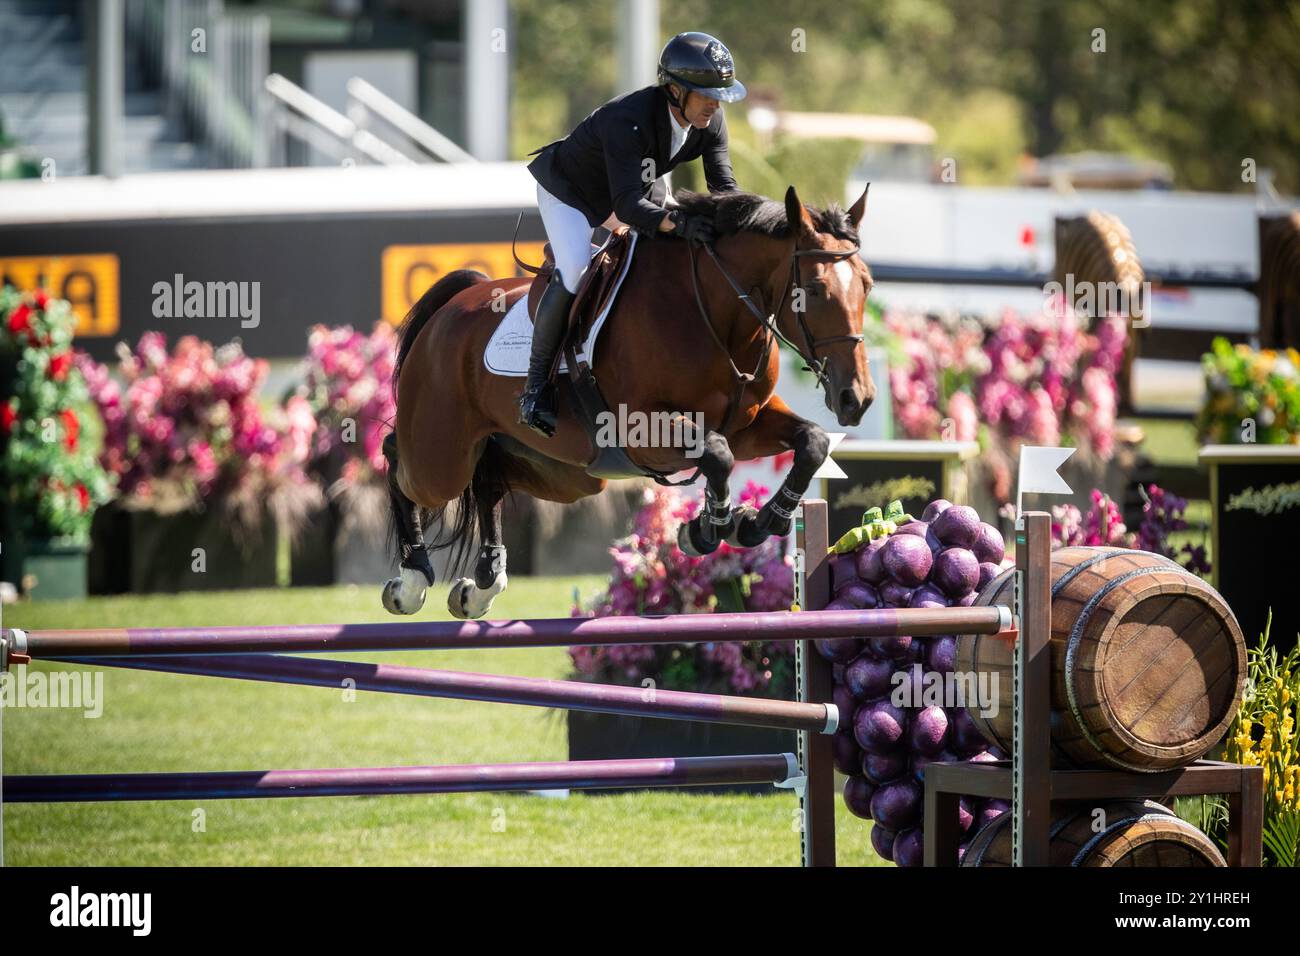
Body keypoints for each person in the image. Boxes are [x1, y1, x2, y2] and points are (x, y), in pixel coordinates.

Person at [519, 31, 747, 437]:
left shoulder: (710, 120)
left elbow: (724, 189)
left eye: (720, 94)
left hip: (635, 184)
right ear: (675, 90)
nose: (715, 103)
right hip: (573, 189)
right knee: (574, 268)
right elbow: (625, 209)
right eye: (706, 93)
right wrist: (677, 223)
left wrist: (745, 226)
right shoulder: (630, 119)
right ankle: (536, 387)